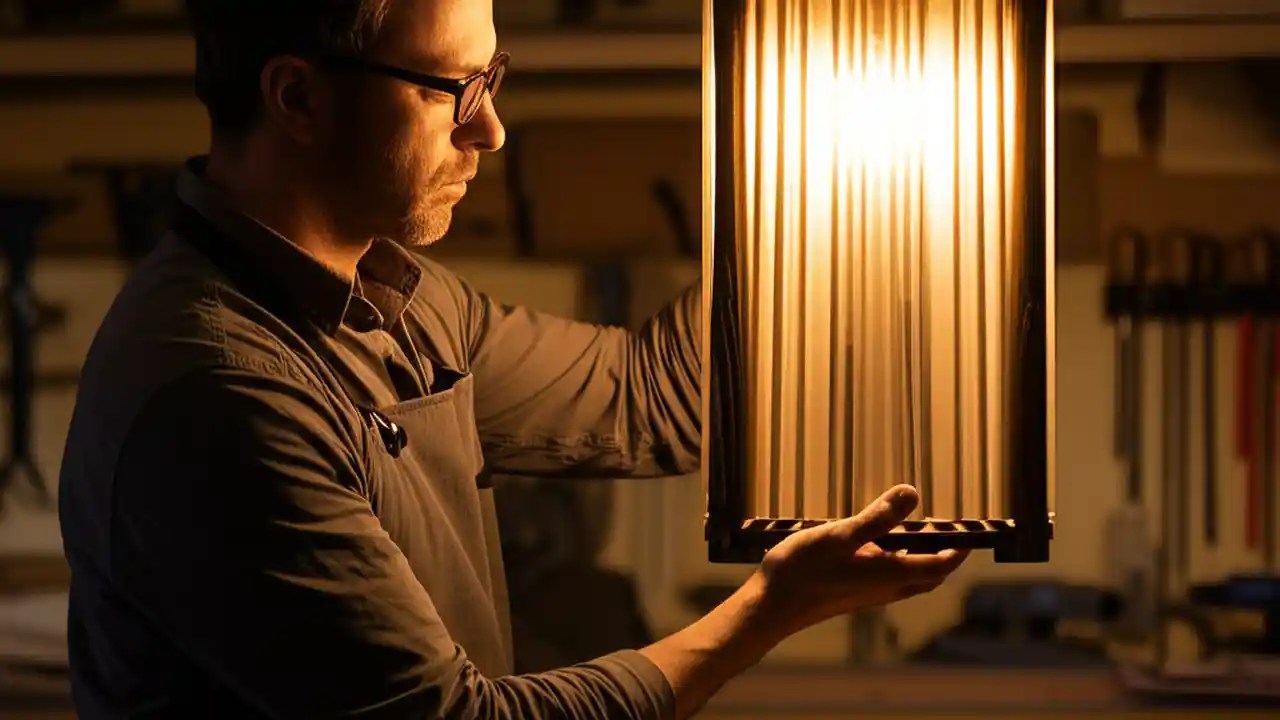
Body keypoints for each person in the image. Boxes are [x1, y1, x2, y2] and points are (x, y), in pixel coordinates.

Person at [57, 1, 969, 717]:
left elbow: (650, 401)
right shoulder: (223, 392)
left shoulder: (400, 301)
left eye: (492, 76)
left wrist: (818, 187)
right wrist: (765, 613)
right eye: (454, 88)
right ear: (296, 96)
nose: (490, 131)